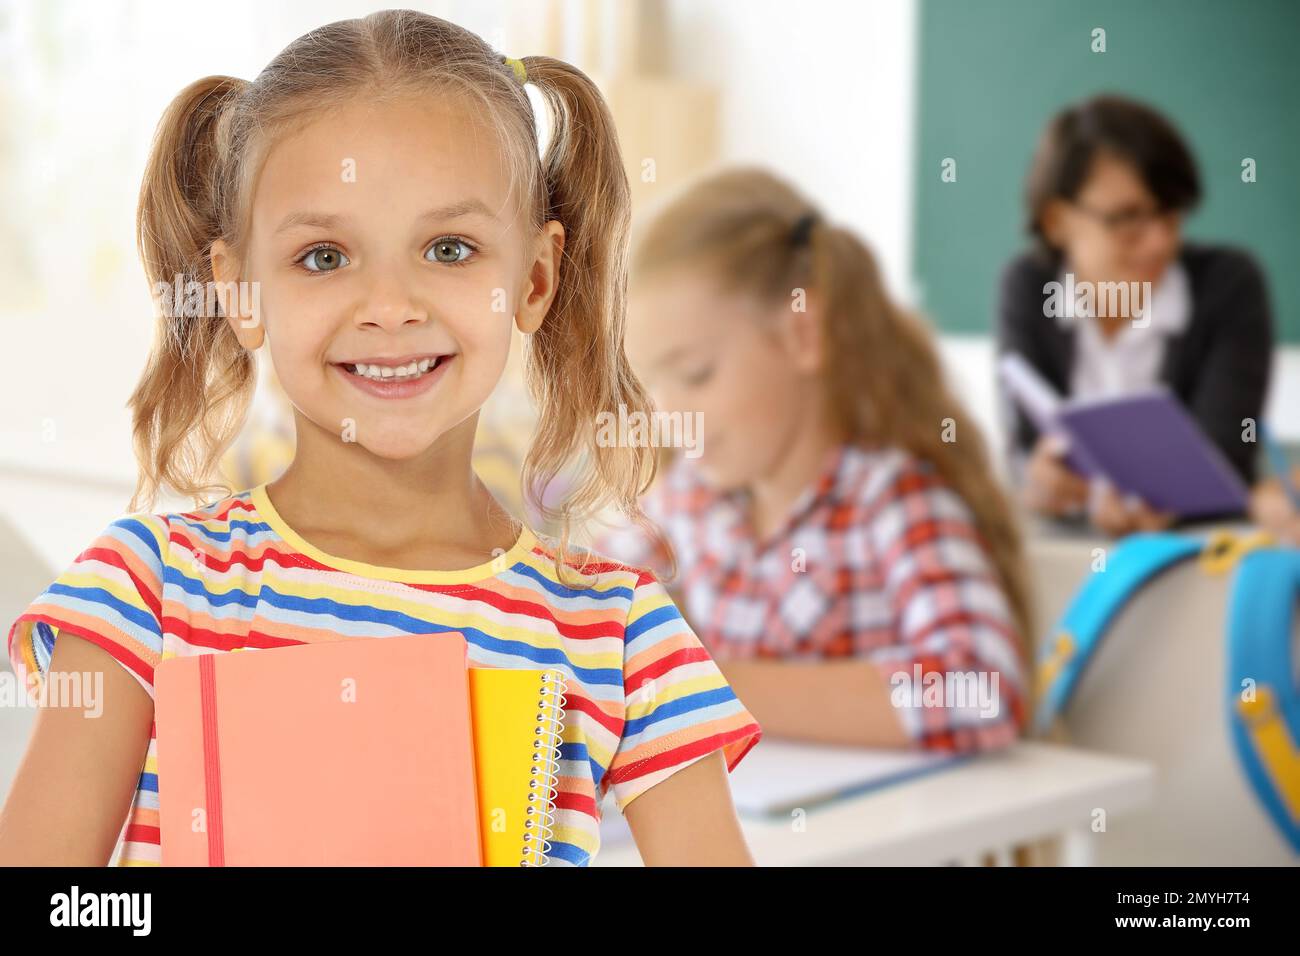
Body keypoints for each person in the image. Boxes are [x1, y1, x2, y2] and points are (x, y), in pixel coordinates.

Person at [0, 10, 761, 868]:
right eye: (324, 257)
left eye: (449, 247)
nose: (391, 305)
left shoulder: (620, 636)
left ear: (536, 279)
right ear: (240, 292)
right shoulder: (149, 590)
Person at [597, 167, 1030, 752]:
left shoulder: (889, 501)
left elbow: (985, 691)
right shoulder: (687, 501)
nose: (668, 415)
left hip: (880, 837)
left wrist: (707, 684)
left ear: (802, 335)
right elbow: (587, 608)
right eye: (650, 385)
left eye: (695, 374)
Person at [997, 94, 1275, 537]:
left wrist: (1164, 503)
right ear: (1056, 220)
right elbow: (1028, 448)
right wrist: (1041, 479)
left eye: (1170, 215)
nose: (1159, 243)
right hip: (1068, 553)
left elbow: (1227, 458)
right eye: (1128, 220)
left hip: (1203, 556)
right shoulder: (1030, 287)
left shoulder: (1228, 285)